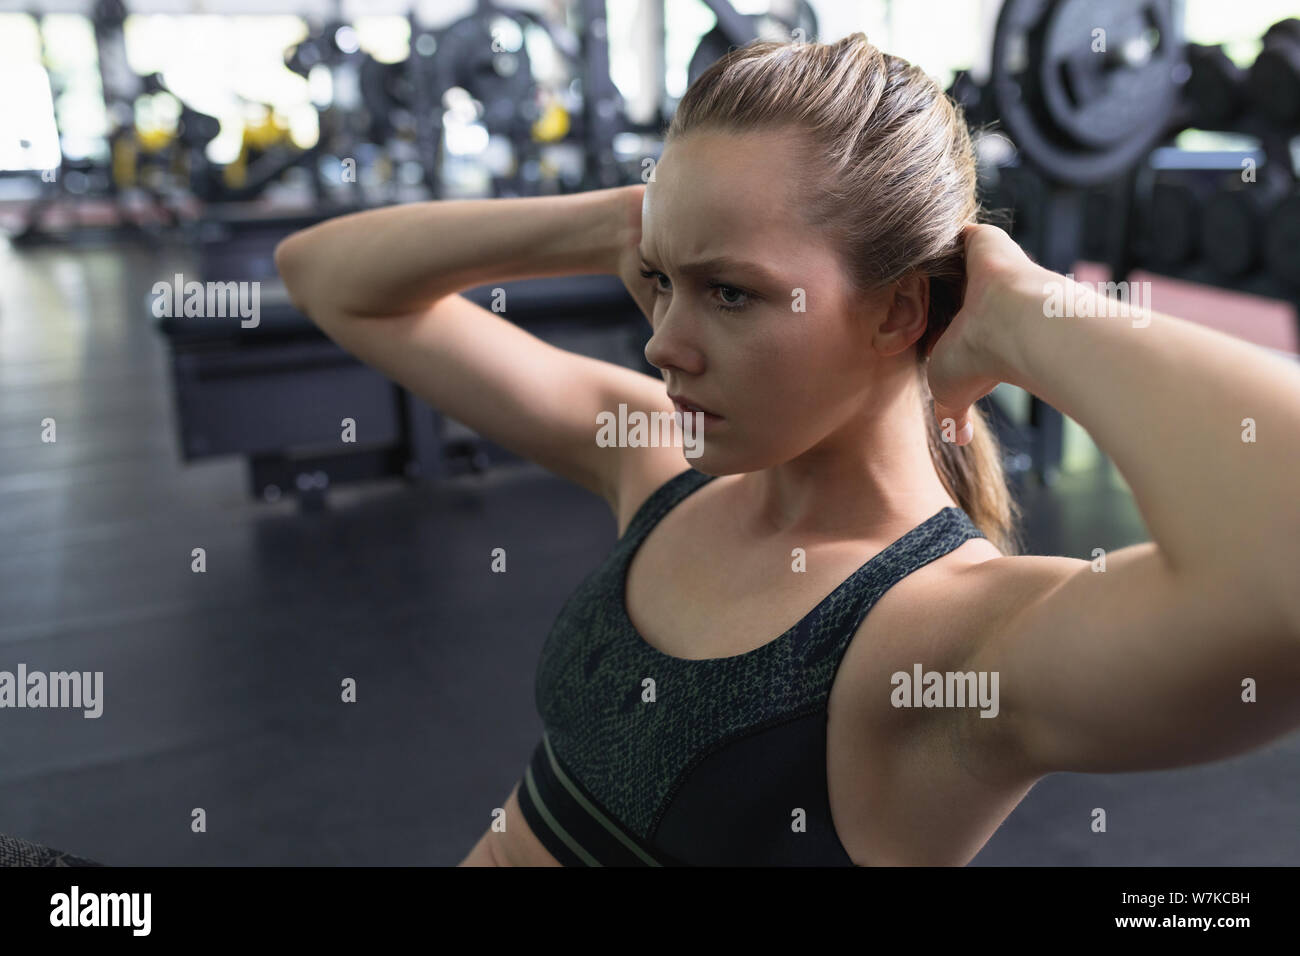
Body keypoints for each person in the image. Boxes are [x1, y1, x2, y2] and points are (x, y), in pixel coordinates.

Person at [274, 34, 1300, 867]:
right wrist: (611, 223)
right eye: (661, 281)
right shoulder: (661, 471)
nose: (660, 341)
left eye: (729, 292)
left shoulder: (938, 640)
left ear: (899, 308)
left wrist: (1025, 311)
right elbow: (325, 276)